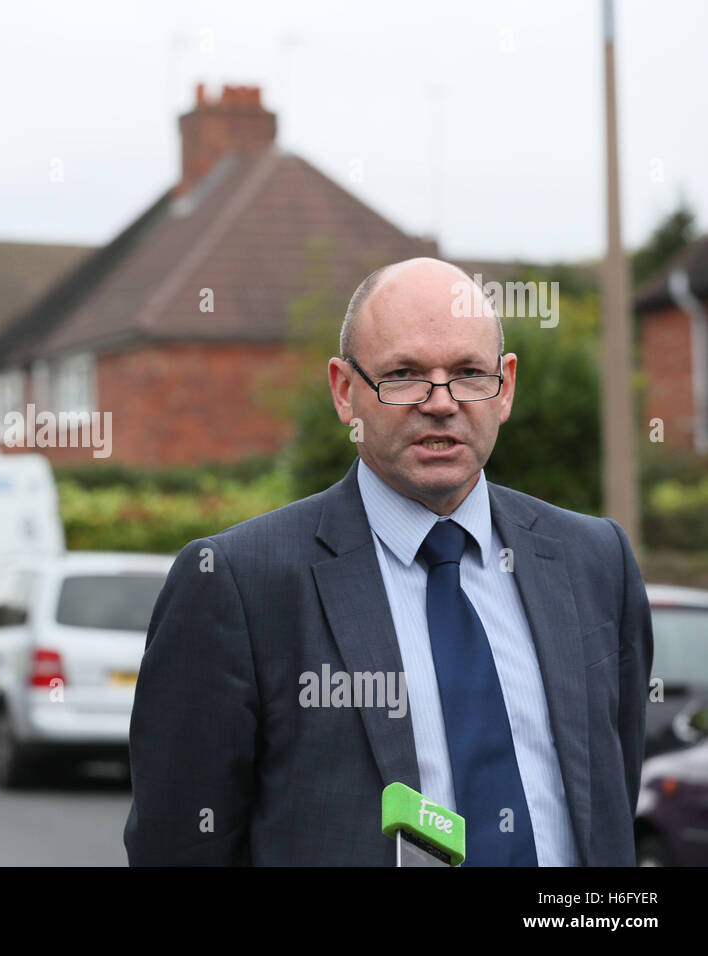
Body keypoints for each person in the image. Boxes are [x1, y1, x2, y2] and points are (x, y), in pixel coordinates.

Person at [124, 258, 653, 866]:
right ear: (346, 391)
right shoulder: (239, 584)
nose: (441, 403)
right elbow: (177, 845)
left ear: (504, 387)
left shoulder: (595, 562)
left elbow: (610, 799)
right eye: (404, 375)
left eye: (467, 373)